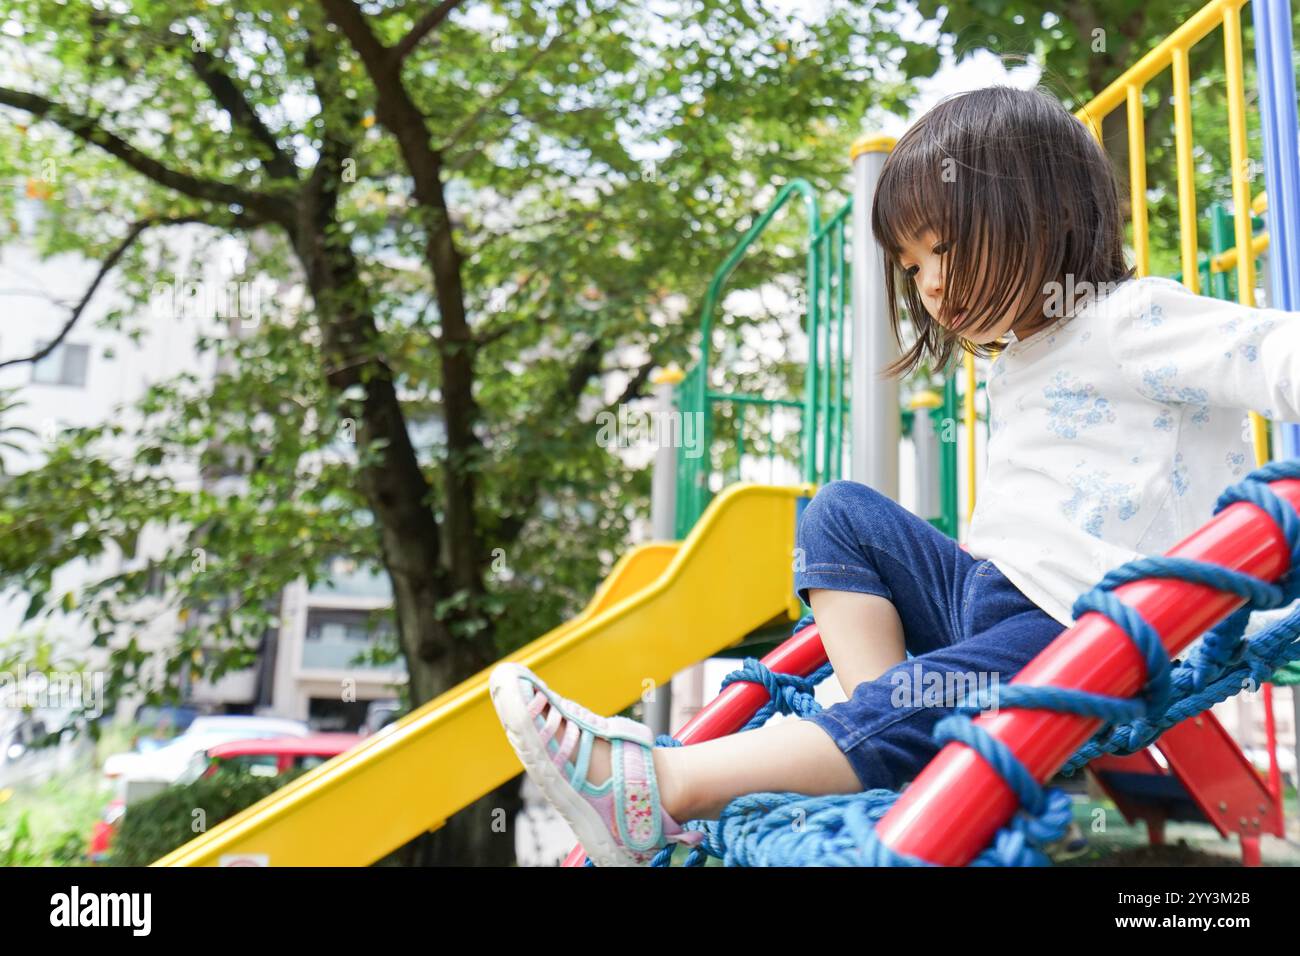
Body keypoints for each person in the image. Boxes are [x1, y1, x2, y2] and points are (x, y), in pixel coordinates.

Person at [490, 84, 1300, 866]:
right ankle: (891, 746)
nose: (932, 284)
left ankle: (667, 785)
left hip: (1086, 631)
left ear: (1048, 214)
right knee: (839, 512)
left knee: (908, 688)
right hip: (991, 600)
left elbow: (1273, 352)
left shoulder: (1131, 320)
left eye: (942, 248)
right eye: (911, 267)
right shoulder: (1019, 357)